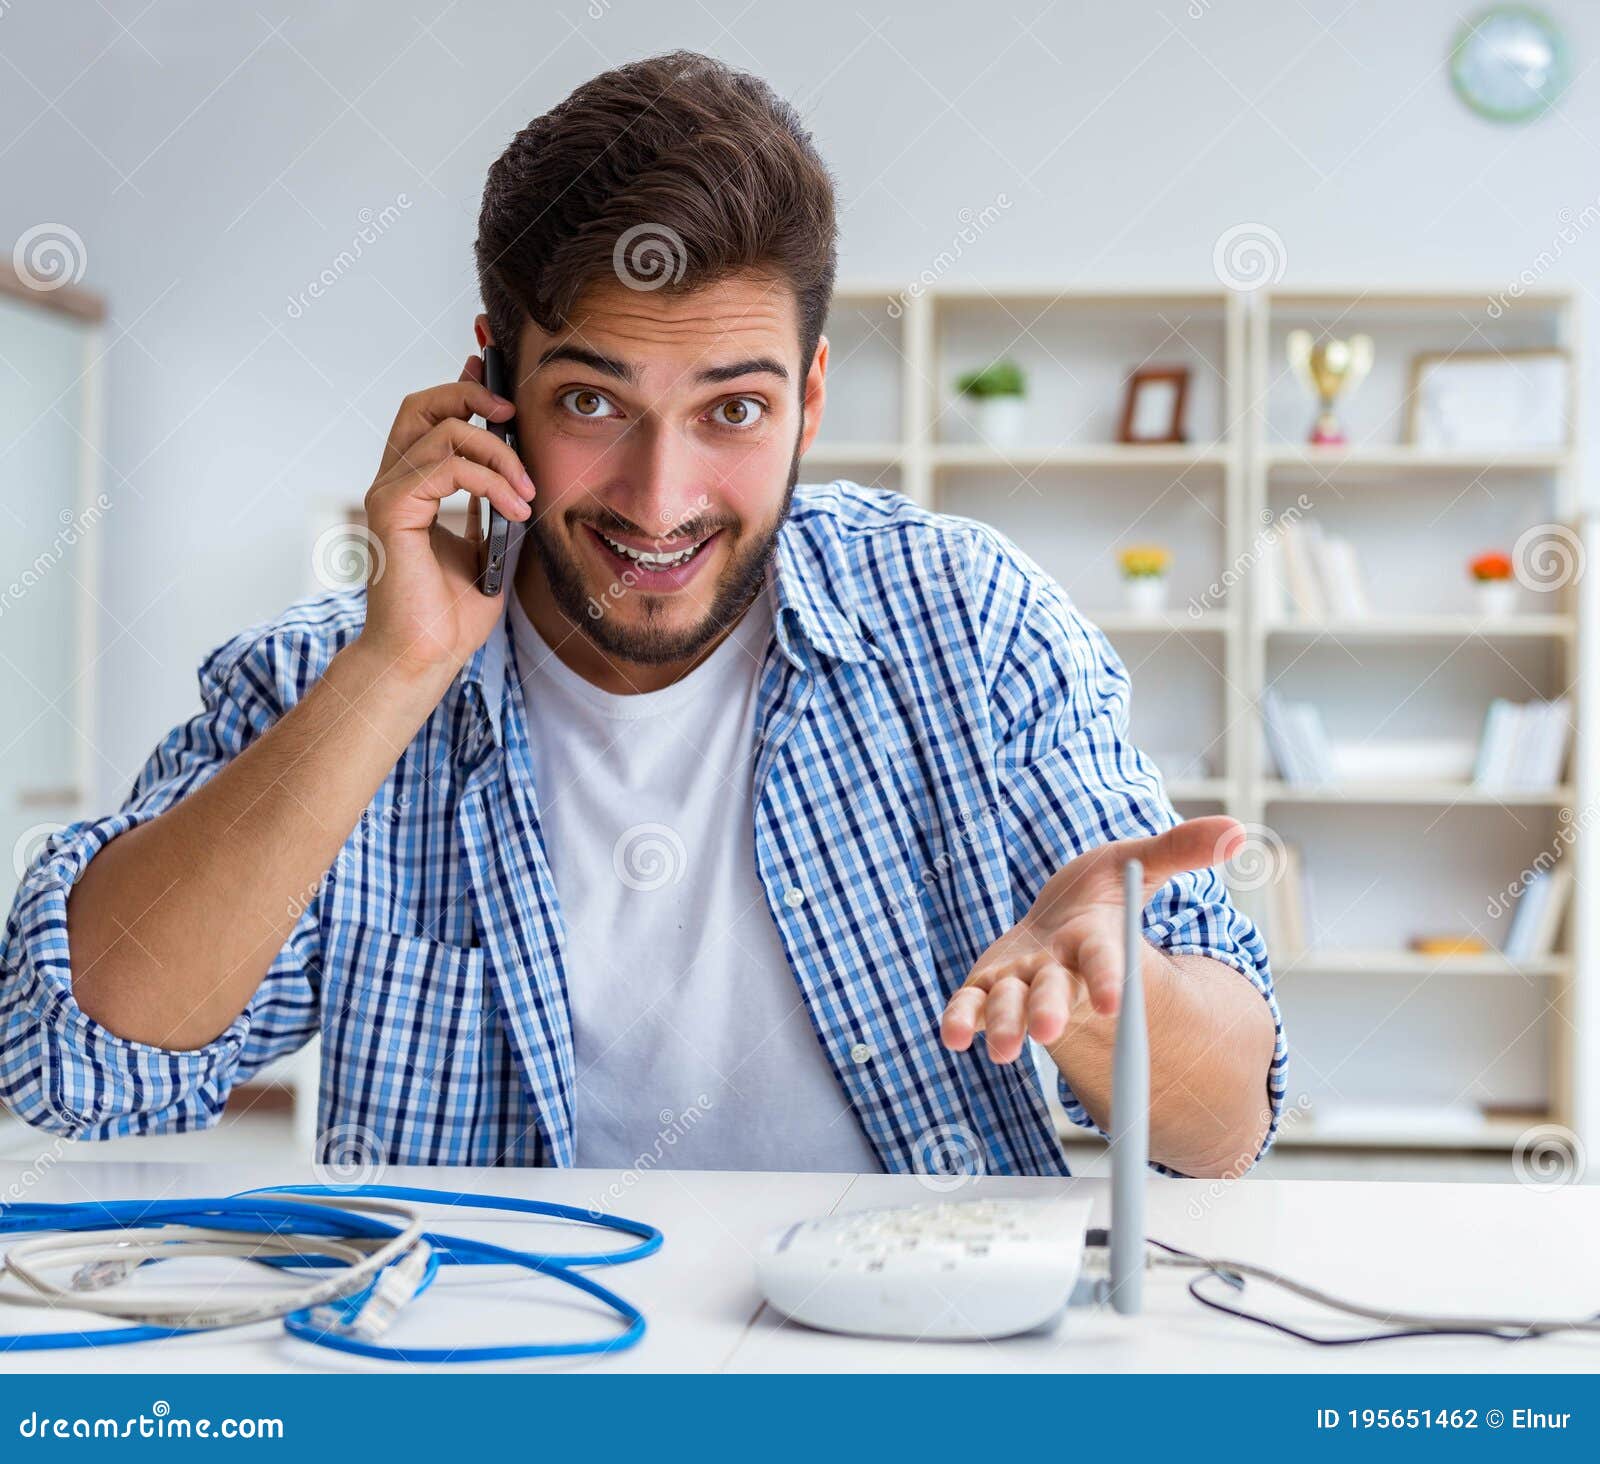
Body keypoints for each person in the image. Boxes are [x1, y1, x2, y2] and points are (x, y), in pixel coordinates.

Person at [0, 51, 1284, 1178]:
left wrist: (1111, 998)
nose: (661, 501)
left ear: (810, 400)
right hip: (492, 1368)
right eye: (594, 403)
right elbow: (73, 1067)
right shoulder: (332, 680)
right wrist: (397, 671)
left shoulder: (967, 623)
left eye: (732, 410)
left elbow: (1223, 1130)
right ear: (490, 385)